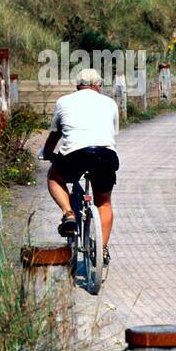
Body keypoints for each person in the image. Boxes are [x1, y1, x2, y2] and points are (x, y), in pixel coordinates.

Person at [43, 67, 120, 262]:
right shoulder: (110, 103)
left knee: (54, 176)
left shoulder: (64, 101)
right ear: (98, 86)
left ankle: (68, 213)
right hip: (105, 155)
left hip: (74, 155)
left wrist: (46, 153)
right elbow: (112, 132)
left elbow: (55, 133)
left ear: (78, 86)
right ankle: (102, 249)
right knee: (103, 202)